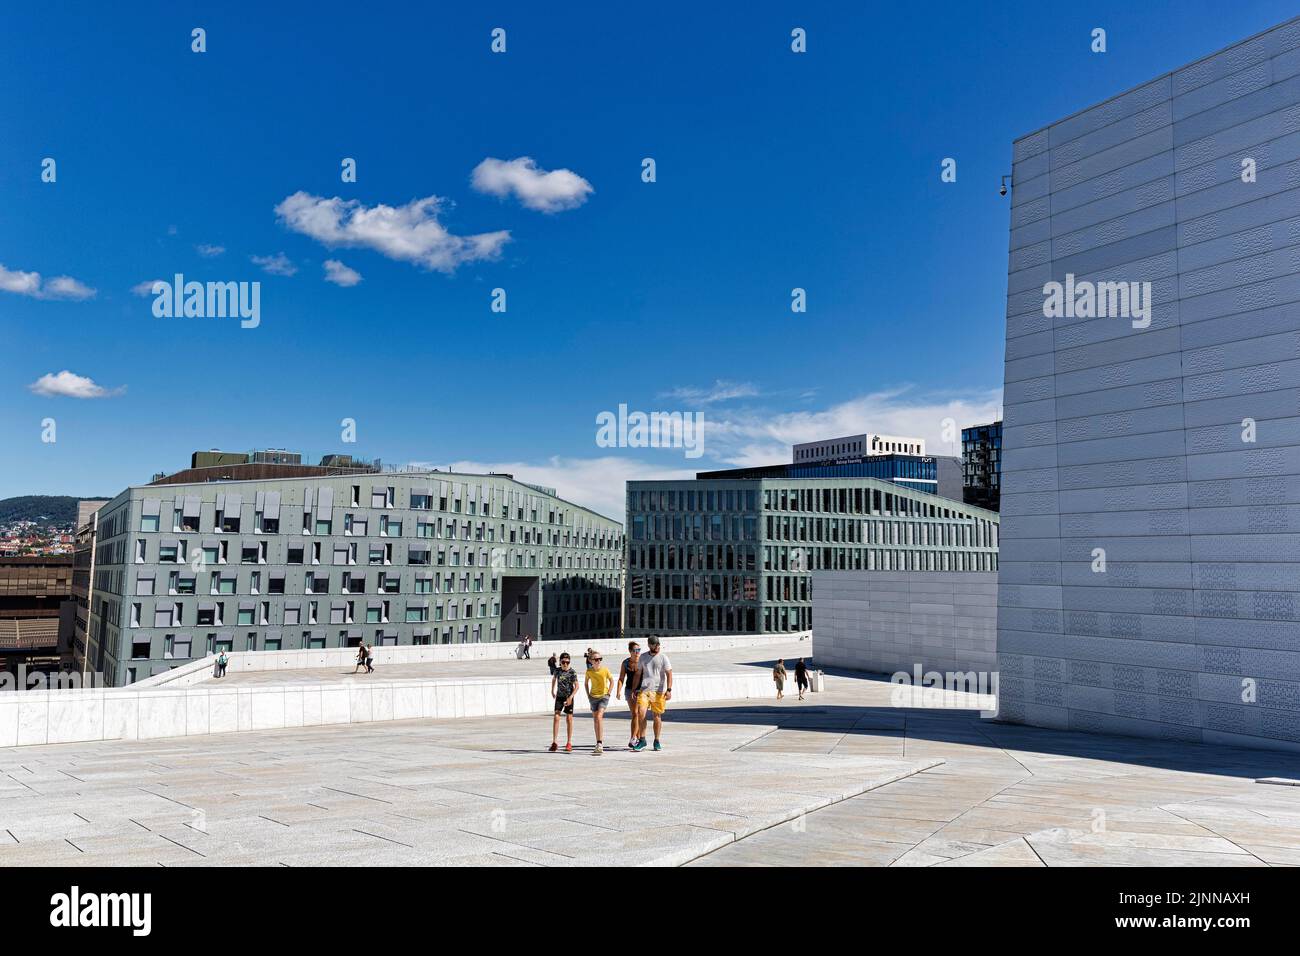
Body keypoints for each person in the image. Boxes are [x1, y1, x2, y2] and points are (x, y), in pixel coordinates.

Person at [633, 636, 672, 752]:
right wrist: (635, 688)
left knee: (657, 716)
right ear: (650, 645)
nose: (658, 647)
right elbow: (638, 673)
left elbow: (669, 674)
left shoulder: (663, 657)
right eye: (655, 645)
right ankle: (643, 740)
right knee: (641, 713)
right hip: (644, 690)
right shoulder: (643, 657)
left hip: (658, 691)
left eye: (658, 645)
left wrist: (669, 690)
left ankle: (657, 740)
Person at [585, 651, 613, 755]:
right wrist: (588, 695)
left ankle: (600, 743)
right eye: (596, 659)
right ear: (591, 660)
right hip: (593, 697)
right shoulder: (589, 671)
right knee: (595, 720)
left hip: (603, 697)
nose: (598, 661)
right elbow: (586, 683)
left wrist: (608, 693)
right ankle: (598, 742)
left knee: (599, 717)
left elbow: (612, 681)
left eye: (600, 659)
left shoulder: (605, 670)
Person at [550, 653, 578, 753]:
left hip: (568, 697)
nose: (565, 664)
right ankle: (554, 742)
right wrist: (552, 690)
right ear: (560, 662)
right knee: (556, 717)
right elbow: (554, 679)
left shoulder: (572, 672)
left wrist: (571, 697)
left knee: (569, 718)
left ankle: (569, 742)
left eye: (567, 662)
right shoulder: (557, 671)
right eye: (563, 662)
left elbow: (577, 686)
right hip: (559, 696)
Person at [616, 641, 642, 750]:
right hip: (629, 690)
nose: (637, 653)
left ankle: (635, 738)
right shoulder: (625, 663)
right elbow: (621, 678)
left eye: (639, 650)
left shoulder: (643, 662)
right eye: (635, 651)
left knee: (638, 714)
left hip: (641, 691)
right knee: (635, 714)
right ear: (630, 651)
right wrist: (618, 691)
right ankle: (637, 738)